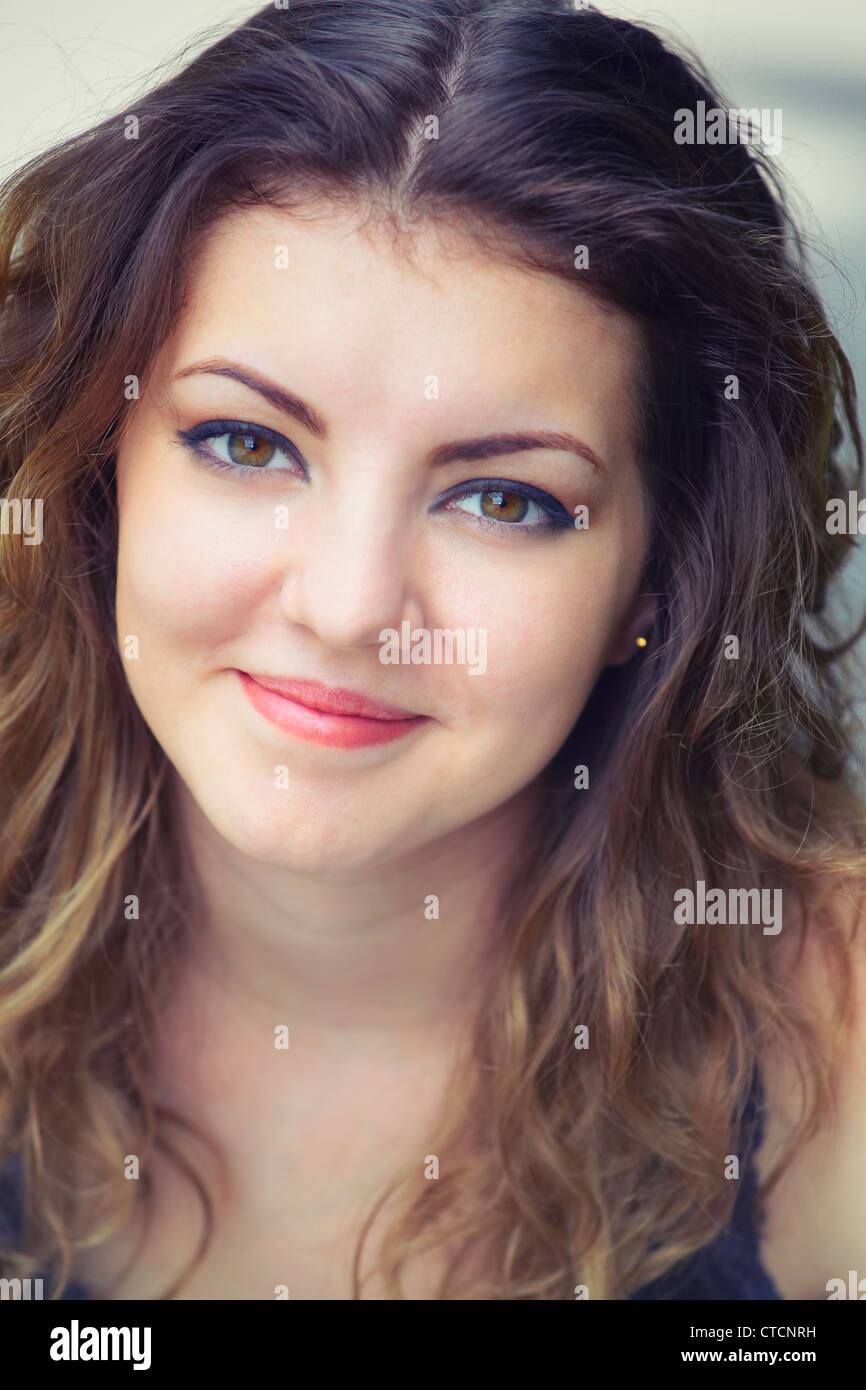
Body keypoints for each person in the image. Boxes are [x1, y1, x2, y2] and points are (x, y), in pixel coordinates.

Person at [1, 0, 864, 1302]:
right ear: (101, 474)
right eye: (246, 442)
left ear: (655, 570)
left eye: (503, 498)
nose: (352, 608)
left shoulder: (836, 1035)